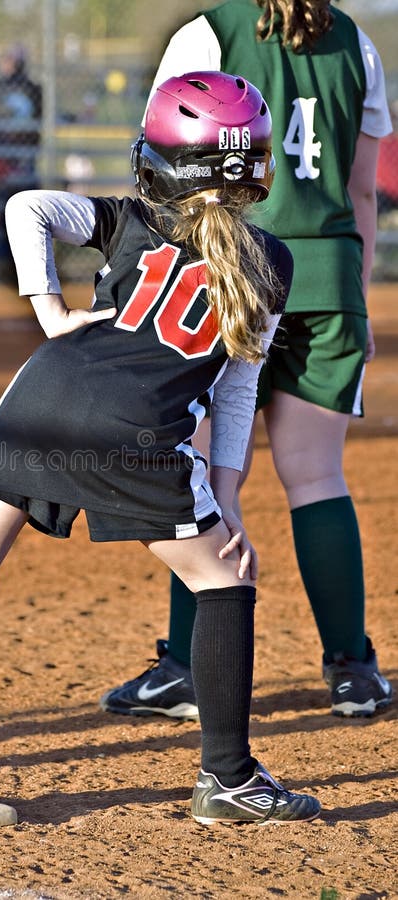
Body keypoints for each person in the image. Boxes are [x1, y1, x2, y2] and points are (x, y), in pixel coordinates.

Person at [0, 71, 321, 825]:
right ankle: (227, 778)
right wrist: (227, 502)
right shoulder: (271, 262)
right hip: (137, 427)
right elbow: (234, 395)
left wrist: (50, 309)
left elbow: (27, 207)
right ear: (250, 167)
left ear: (164, 159)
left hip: (40, 393)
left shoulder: (129, 217)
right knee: (223, 585)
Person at [100, 0, 393, 723]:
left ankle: (184, 670)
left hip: (230, 271)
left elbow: (169, 170)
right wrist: (353, 294)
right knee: (319, 476)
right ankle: (353, 671)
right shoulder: (355, 43)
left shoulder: (209, 32)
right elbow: (362, 187)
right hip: (325, 279)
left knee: (198, 473)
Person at [0, 46, 43, 282]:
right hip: (2, 155)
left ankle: (25, 260)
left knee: (27, 206)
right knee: (3, 206)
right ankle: (4, 257)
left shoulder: (33, 89)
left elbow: (39, 120)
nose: (9, 66)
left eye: (13, 62)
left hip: (24, 156)